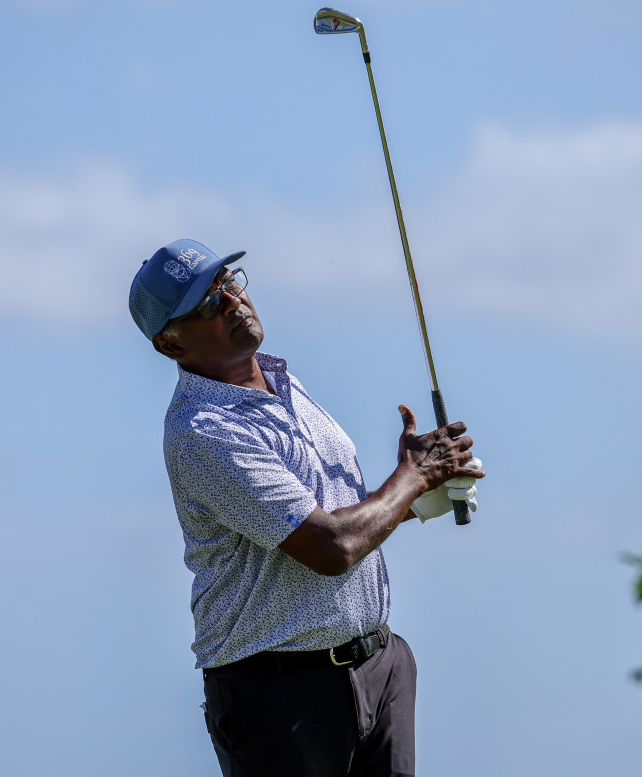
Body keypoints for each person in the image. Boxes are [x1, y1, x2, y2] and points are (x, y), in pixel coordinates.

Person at [129, 239, 485, 777]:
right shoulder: (203, 431)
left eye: (229, 283)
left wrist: (416, 498)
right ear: (170, 344)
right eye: (207, 303)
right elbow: (329, 547)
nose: (232, 302)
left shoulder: (281, 380)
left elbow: (329, 517)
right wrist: (412, 479)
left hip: (378, 666)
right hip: (279, 694)